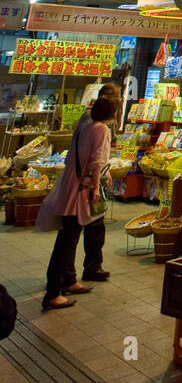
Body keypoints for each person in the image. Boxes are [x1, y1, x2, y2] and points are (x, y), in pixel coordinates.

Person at [36, 85, 120, 310]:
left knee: (68, 236)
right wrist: (95, 188)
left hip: (71, 182)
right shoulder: (102, 129)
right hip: (81, 189)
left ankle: (69, 280)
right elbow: (96, 161)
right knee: (67, 240)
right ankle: (53, 293)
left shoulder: (85, 122)